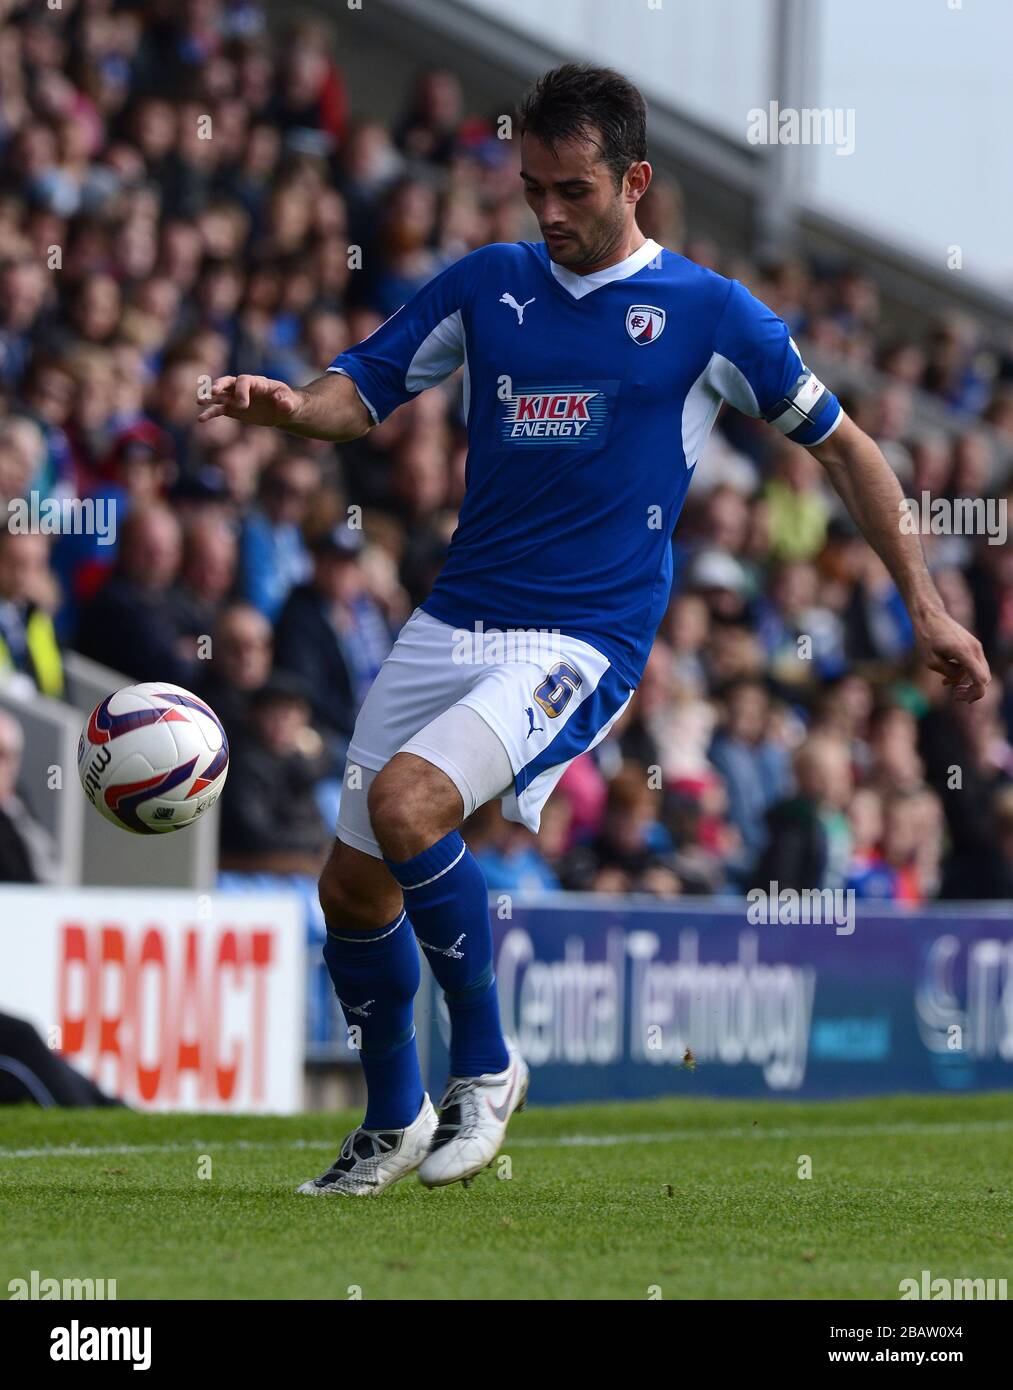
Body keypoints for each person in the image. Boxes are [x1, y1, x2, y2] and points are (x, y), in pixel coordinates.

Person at [198, 64, 991, 1199]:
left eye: (570, 189)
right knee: (352, 890)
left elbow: (846, 449)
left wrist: (921, 600)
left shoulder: (710, 315)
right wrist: (289, 406)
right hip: (454, 613)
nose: (547, 212)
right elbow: (359, 389)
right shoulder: (488, 283)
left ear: (634, 180)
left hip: (580, 636)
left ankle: (485, 1064)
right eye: (531, 187)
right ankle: (388, 1121)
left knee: (410, 802)